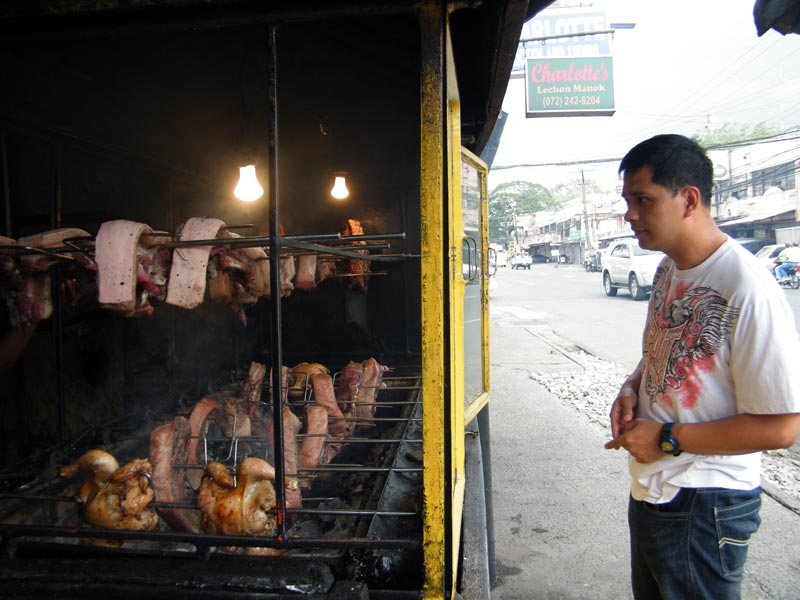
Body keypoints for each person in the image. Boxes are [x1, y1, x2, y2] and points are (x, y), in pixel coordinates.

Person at [604, 134, 800, 600]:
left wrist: (666, 437)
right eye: (628, 201)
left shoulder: (747, 287)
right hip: (657, 490)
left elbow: (781, 429)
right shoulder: (669, 269)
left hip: (705, 504)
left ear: (688, 199)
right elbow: (665, 351)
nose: (630, 214)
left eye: (643, 200)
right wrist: (632, 387)